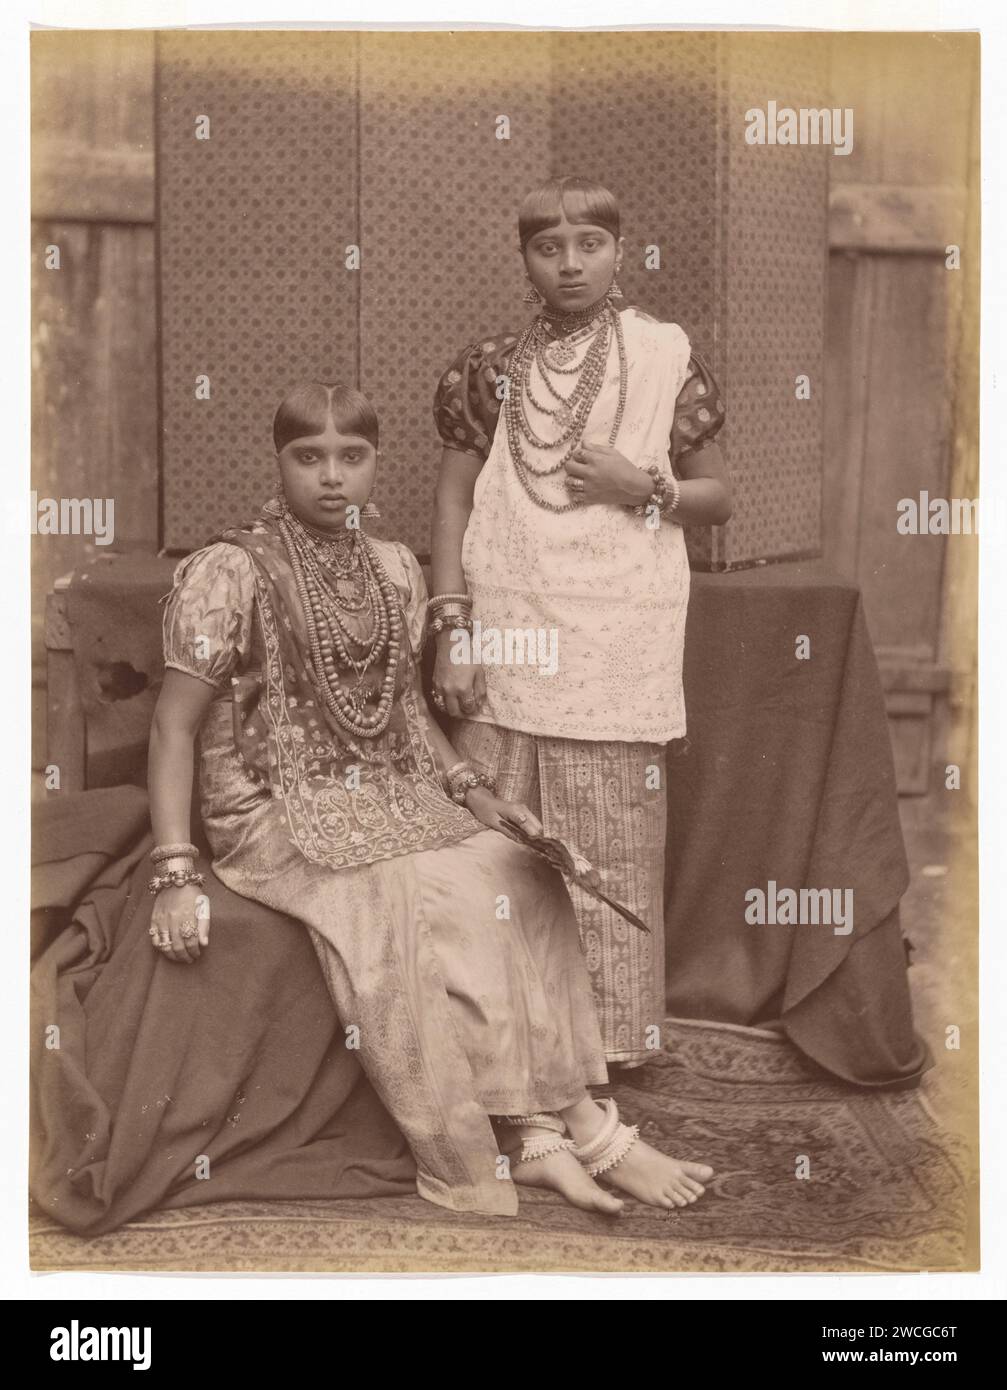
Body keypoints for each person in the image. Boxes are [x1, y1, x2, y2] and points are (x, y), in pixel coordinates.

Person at [146, 380, 715, 1217]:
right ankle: (576, 1137)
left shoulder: (387, 567)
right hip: (271, 810)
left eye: (352, 456)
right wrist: (175, 870)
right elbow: (172, 727)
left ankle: (543, 1138)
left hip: (387, 794)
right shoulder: (228, 570)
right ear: (278, 462)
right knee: (407, 897)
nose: (331, 477)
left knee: (515, 869)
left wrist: (478, 796)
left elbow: (408, 717)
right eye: (309, 457)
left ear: (378, 462)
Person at [431, 175, 733, 1070]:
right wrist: (453, 625)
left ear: (619, 250)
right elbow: (450, 502)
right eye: (548, 247)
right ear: (524, 257)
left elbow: (717, 501)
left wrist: (641, 487)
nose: (570, 264)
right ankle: (497, 1044)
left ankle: (612, 1051)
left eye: (589, 245)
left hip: (613, 639)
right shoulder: (486, 368)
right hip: (506, 629)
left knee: (606, 848)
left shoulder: (664, 357)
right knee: (492, 848)